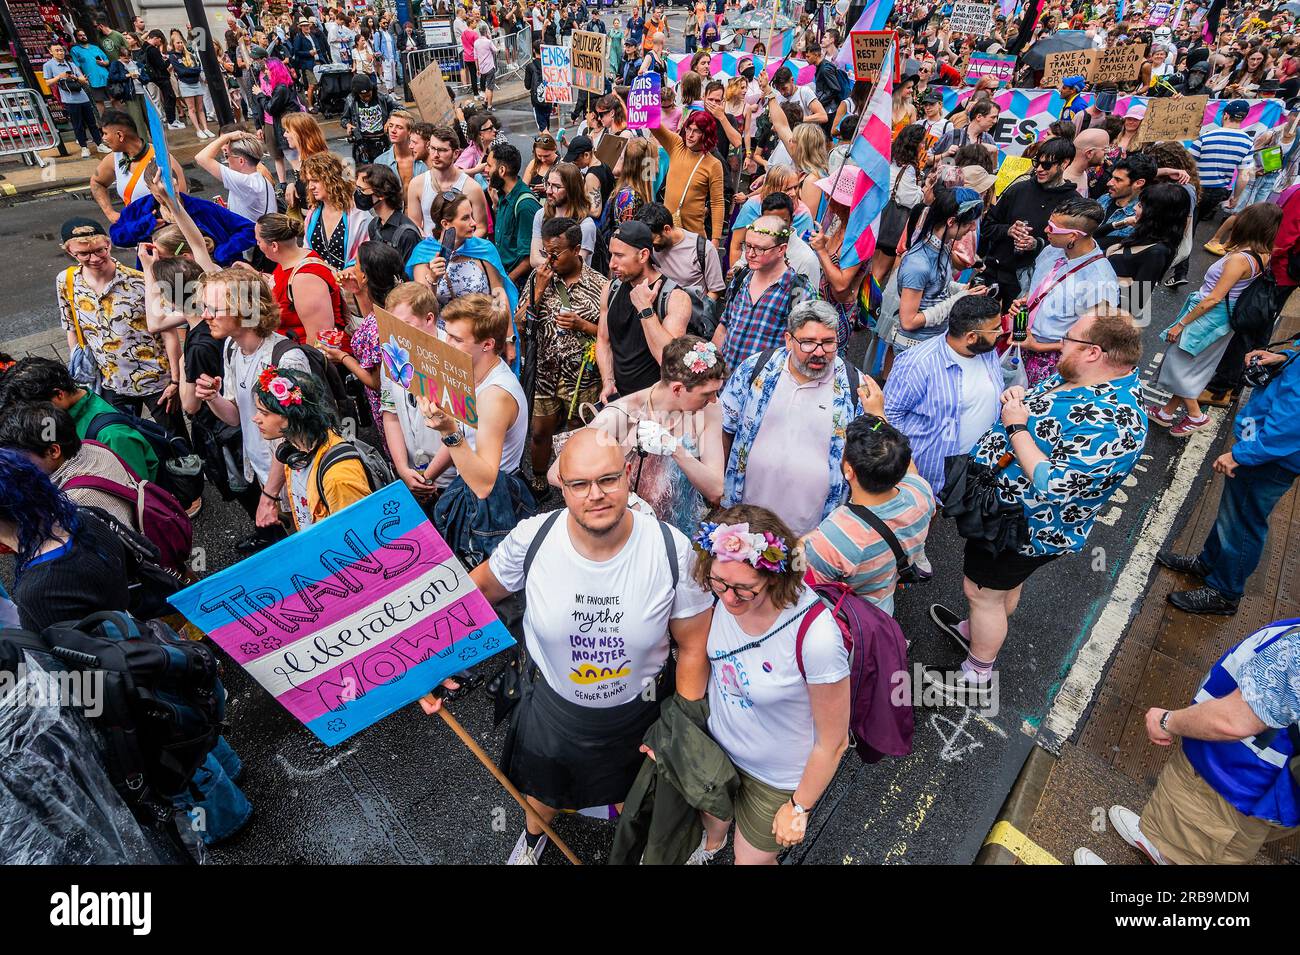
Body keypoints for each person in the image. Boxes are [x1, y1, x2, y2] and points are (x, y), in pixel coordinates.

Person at [427, 427, 712, 864]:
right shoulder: (533, 538)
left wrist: (682, 728)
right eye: (579, 484)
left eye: (608, 480)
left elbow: (693, 646)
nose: (594, 494)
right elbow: (475, 593)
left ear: (629, 473)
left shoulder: (673, 551)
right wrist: (428, 664)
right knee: (541, 791)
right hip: (552, 707)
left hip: (639, 712)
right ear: (562, 487)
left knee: (640, 796)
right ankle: (532, 839)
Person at [926, 308, 1147, 696]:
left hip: (1020, 525)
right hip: (1007, 514)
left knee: (982, 592)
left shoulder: (1117, 422)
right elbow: (1048, 417)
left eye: (1070, 338)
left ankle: (977, 673)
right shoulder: (1084, 376)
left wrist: (1014, 425)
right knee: (1000, 588)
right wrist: (1021, 399)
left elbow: (1056, 483)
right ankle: (978, 627)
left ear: (1094, 351)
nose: (1060, 343)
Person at [694, 503, 851, 865]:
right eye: (719, 583)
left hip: (776, 776)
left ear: (775, 577)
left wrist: (799, 807)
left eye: (745, 590)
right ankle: (711, 845)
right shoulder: (719, 594)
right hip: (719, 746)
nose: (729, 598)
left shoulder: (817, 639)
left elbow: (834, 742)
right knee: (713, 821)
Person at [1075, 619, 1300, 866]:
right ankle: (1167, 849)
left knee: (1199, 849)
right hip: (1270, 787)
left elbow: (1232, 721)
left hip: (1233, 783)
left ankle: (1175, 856)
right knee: (1197, 846)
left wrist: (1165, 721)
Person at [1159, 340, 1300, 616]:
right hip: (1262, 445)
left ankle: (1225, 592)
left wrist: (1242, 455)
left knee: (1244, 522)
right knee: (1233, 513)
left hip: (1269, 458)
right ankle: (1209, 563)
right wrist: (1283, 356)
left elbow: (1289, 427)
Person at [719, 300, 867, 537]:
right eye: (808, 342)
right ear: (789, 339)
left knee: (796, 574)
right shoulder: (756, 370)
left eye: (828, 342)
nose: (819, 352)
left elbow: (866, 461)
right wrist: (718, 492)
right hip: (747, 520)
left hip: (811, 532)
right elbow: (725, 427)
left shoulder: (855, 387)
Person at [193, 268, 313, 553]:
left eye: (213, 308)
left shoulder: (285, 359)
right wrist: (213, 398)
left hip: (294, 474)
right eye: (204, 307)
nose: (206, 315)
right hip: (263, 469)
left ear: (245, 309)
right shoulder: (232, 348)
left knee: (311, 542)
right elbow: (237, 416)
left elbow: (293, 436)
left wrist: (269, 496)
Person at [417, 294, 535, 566]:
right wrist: (428, 478)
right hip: (469, 485)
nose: (447, 344)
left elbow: (484, 485)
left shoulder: (494, 397)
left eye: (457, 340)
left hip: (493, 508)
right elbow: (466, 437)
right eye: (448, 334)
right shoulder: (468, 375)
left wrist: (448, 431)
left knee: (488, 589)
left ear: (488, 344)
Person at [566, 335, 725, 535]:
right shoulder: (623, 413)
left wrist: (676, 449)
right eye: (706, 394)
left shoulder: (710, 410)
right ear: (677, 389)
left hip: (681, 530)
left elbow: (716, 490)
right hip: (629, 529)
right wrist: (628, 500)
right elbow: (557, 472)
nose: (713, 399)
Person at [1152, 203, 1281, 437]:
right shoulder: (1262, 254)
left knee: (1179, 364)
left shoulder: (1240, 259)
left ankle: (1196, 416)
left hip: (1208, 318)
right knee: (1193, 366)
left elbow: (1213, 298)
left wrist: (1181, 324)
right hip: (1223, 320)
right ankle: (1166, 412)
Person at [54, 218, 183, 440]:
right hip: (111, 384)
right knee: (125, 441)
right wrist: (81, 371)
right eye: (84, 254)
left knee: (175, 440)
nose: (94, 258)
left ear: (109, 244)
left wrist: (175, 381)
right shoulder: (66, 282)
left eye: (99, 250)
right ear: (69, 252)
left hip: (157, 381)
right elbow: (72, 328)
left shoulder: (141, 281)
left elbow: (169, 334)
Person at [803, 407, 935, 617]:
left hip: (848, 617)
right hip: (882, 605)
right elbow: (908, 467)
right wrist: (878, 412)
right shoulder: (921, 494)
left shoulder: (833, 537)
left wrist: (800, 543)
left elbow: (809, 591)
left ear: (848, 470)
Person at [884, 295, 1005, 500]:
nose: (1001, 332)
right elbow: (889, 415)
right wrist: (901, 466)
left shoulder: (986, 351)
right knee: (918, 522)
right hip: (930, 472)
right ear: (971, 337)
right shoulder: (917, 364)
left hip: (973, 466)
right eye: (995, 329)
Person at [0, 449, 130, 634]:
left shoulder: (39, 592)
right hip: (130, 627)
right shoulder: (87, 516)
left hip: (120, 654)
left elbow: (76, 655)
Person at [520, 217, 607, 489]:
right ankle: (538, 480)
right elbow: (521, 322)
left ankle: (574, 481)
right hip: (545, 373)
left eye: (556, 253)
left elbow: (609, 334)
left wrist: (583, 325)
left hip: (584, 377)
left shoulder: (600, 285)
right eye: (546, 252)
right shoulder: (539, 277)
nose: (550, 259)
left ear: (577, 249)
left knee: (577, 435)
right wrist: (539, 290)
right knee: (539, 433)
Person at [1012, 196, 1120, 386]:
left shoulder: (1101, 282)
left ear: (1073, 236)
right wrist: (1027, 300)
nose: (1046, 230)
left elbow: (1096, 340)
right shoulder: (1052, 250)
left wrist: (1038, 346)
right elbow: (1044, 286)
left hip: (1052, 360)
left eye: (1052, 228)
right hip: (1021, 344)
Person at [0, 357, 158, 483]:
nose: (29, 415)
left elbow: (136, 491)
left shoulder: (112, 435)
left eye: (33, 408)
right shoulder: (57, 416)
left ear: (59, 394)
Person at [251, 367, 368, 531]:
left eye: (264, 413)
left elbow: (359, 533)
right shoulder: (295, 450)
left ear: (294, 415)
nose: (255, 419)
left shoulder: (338, 478)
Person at [976, 136, 1078, 311]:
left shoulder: (1073, 202)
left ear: (1064, 164)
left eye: (1046, 165)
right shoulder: (1019, 189)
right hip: (995, 272)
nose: (1039, 169)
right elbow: (987, 226)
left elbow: (1072, 246)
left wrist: (1037, 244)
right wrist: (1008, 230)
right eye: (1037, 162)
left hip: (1031, 283)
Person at [880, 185, 986, 354]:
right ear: (951, 222)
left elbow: (935, 287)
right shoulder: (918, 263)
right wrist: (958, 299)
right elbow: (908, 321)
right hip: (914, 350)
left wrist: (963, 289)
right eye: (969, 223)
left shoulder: (942, 247)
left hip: (931, 344)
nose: (973, 228)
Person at [597, 221, 692, 401]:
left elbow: (669, 361)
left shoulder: (675, 297)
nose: (611, 264)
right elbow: (603, 340)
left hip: (656, 402)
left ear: (643, 255)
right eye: (611, 255)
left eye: (619, 256)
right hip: (619, 397)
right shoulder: (610, 289)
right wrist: (608, 381)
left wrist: (645, 309)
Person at [716, 216, 817, 371]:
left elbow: (803, 348)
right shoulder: (741, 277)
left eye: (759, 249)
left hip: (763, 388)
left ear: (781, 249)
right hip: (725, 383)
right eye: (747, 246)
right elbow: (724, 327)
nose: (750, 254)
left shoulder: (799, 291)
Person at [255, 212, 348, 347]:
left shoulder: (305, 279)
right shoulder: (290, 260)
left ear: (274, 246)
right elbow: (281, 288)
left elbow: (320, 339)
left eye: (259, 241)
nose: (257, 245)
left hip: (302, 356)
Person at [1106, 182, 1185, 329]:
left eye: (1141, 206)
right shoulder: (1142, 234)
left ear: (1156, 214)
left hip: (1106, 319)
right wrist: (1122, 223)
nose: (1135, 208)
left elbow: (1135, 303)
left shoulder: (1157, 253)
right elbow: (1095, 238)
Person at [650, 112, 726, 248]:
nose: (690, 135)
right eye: (688, 129)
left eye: (696, 131)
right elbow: (653, 124)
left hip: (693, 236)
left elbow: (717, 203)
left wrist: (715, 239)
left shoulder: (713, 164)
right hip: (667, 232)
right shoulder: (676, 145)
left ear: (706, 134)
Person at [637, 203, 725, 315]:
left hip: (690, 318)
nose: (650, 245)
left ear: (667, 229)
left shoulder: (703, 249)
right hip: (658, 312)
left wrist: (699, 313)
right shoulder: (650, 246)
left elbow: (716, 290)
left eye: (653, 239)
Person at [406, 123, 491, 239]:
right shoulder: (416, 184)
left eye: (442, 150)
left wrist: (459, 249)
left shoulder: (472, 188)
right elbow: (414, 226)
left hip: (464, 252)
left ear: (456, 153)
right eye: (433, 148)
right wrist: (430, 246)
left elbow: (481, 228)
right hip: (430, 251)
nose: (435, 155)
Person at [300, 151, 374, 270]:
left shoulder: (359, 214)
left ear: (333, 179)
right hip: (319, 282)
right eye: (308, 181)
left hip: (350, 283)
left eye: (315, 180)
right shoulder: (313, 213)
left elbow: (365, 257)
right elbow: (307, 250)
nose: (310, 186)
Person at [1188, 100, 1257, 225]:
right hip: (1217, 192)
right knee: (1194, 222)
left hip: (1195, 188)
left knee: (1184, 222)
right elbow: (1244, 175)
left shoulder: (1206, 137)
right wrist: (1236, 198)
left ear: (1225, 115)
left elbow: (1188, 163)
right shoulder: (1248, 142)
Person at [195, 131, 278, 225]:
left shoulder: (245, 182)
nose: (226, 160)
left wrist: (227, 136)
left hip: (251, 237)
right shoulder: (257, 179)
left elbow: (201, 158)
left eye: (227, 156)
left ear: (241, 160)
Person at [44, 43, 108, 159]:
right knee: (77, 125)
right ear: (51, 52)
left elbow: (83, 80)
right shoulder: (48, 65)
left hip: (83, 97)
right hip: (69, 99)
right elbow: (47, 82)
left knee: (92, 122)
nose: (60, 52)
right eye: (57, 50)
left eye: (61, 50)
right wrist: (60, 76)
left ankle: (99, 144)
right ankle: (84, 147)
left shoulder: (71, 64)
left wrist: (76, 78)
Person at [529, 161, 598, 268]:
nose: (548, 191)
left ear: (572, 190)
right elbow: (534, 259)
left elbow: (574, 266)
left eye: (556, 186)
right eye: (548, 184)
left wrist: (545, 262)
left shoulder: (585, 225)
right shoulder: (541, 215)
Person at [168, 32, 212, 139]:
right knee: (191, 108)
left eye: (181, 42)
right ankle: (198, 129)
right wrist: (190, 70)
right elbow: (181, 71)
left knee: (200, 108)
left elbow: (198, 67)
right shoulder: (173, 56)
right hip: (185, 84)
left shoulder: (189, 54)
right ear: (173, 44)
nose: (180, 44)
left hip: (196, 82)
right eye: (177, 43)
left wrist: (190, 70)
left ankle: (206, 128)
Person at [373, 110, 428, 191]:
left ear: (410, 132)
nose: (393, 131)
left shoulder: (424, 160)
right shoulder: (380, 162)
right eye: (391, 126)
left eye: (399, 127)